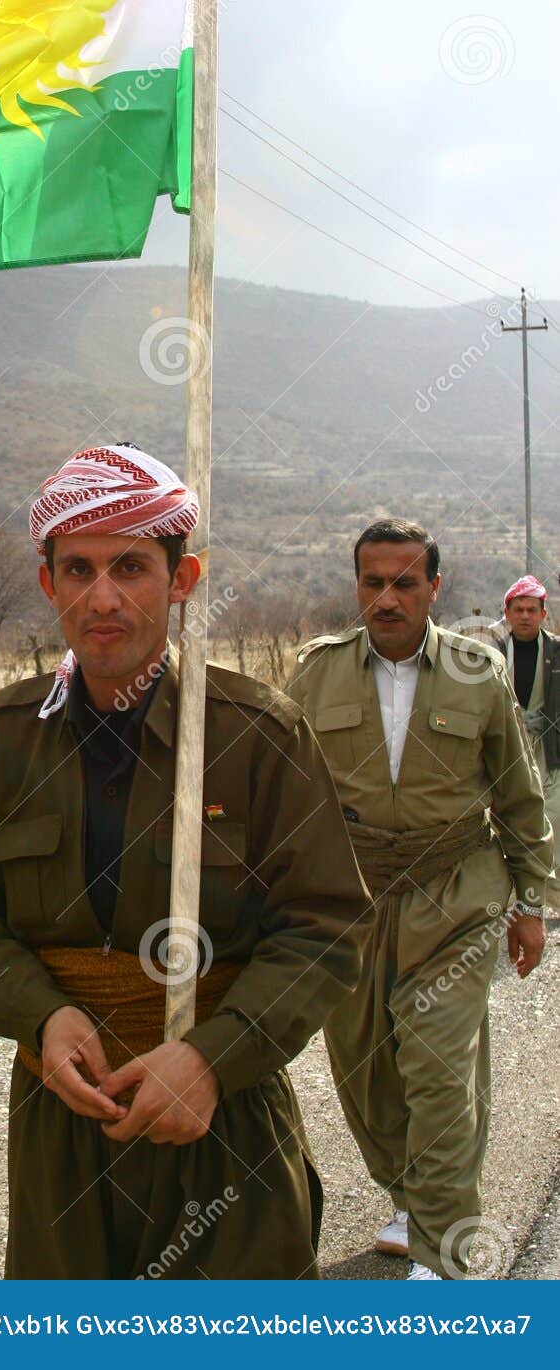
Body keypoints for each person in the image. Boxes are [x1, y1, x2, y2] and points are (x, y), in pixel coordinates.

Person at [0, 443, 370, 1280]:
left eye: (131, 566)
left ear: (182, 577)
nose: (104, 597)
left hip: (223, 1125)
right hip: (62, 1133)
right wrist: (41, 1018)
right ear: (47, 582)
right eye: (78, 569)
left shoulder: (256, 737)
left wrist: (209, 1060)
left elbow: (328, 927)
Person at [287, 520, 552, 1281]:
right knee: (364, 1072)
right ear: (357, 588)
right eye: (373, 583)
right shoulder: (316, 675)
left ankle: (441, 1251)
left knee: (438, 1068)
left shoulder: (477, 671)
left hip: (455, 894)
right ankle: (406, 1194)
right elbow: (282, 794)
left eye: (405, 582)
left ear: (434, 588)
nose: (387, 598)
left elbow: (518, 794)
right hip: (354, 900)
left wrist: (529, 901)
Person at [495, 575, 560, 911]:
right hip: (509, 752)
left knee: (554, 820)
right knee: (508, 823)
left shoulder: (557, 652)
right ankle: (507, 905)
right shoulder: (491, 655)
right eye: (518, 609)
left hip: (551, 753)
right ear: (507, 612)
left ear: (543, 614)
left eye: (531, 610)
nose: (524, 616)